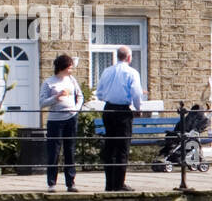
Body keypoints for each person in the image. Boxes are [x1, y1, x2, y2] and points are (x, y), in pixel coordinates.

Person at [94, 45, 145, 191]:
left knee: (110, 147)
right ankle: (119, 183)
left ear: (118, 56)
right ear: (129, 57)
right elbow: (136, 93)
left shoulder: (107, 71)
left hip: (108, 109)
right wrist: (138, 108)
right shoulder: (131, 72)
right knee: (122, 147)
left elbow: (100, 93)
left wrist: (109, 96)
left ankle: (109, 184)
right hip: (122, 111)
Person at [39, 53, 83, 192]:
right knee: (54, 151)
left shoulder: (72, 80)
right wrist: (56, 98)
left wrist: (76, 109)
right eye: (69, 68)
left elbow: (80, 96)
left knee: (70, 150)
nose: (71, 70)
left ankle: (71, 182)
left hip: (71, 117)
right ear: (62, 67)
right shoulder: (49, 82)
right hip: (55, 120)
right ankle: (51, 183)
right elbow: (42, 103)